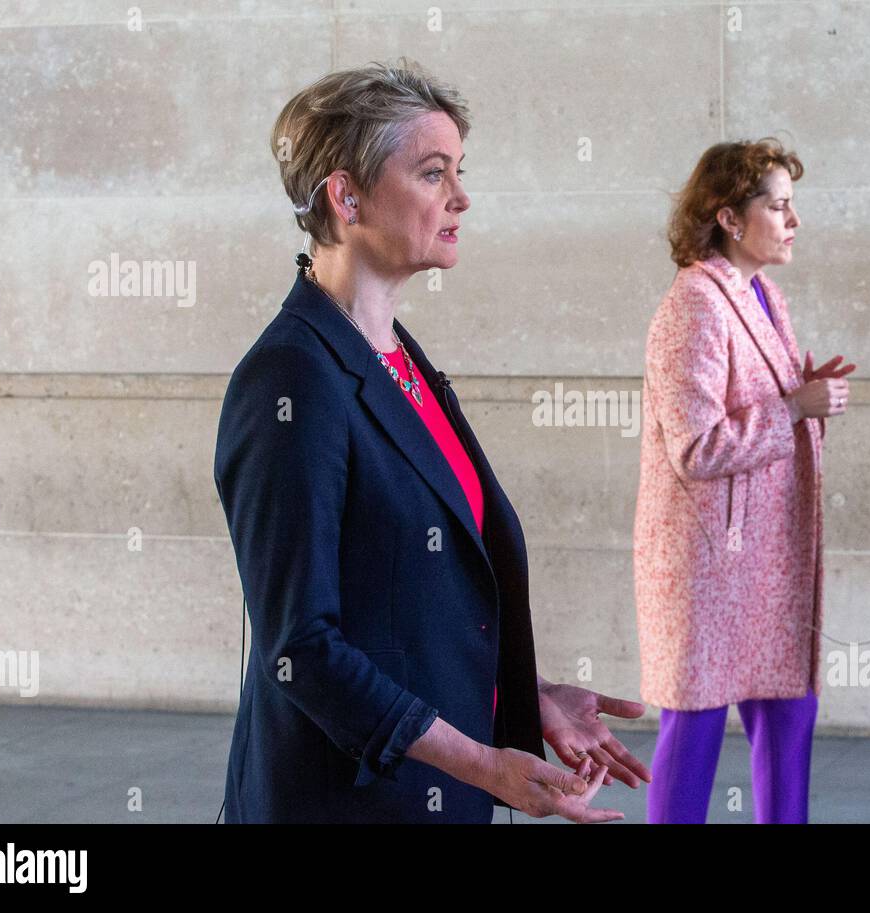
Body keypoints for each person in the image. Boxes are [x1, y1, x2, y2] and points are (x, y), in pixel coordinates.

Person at [215, 60, 650, 824]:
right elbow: (302, 649)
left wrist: (525, 693)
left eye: (458, 171)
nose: (461, 197)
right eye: (431, 172)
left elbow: (407, 606)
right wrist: (484, 763)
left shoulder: (399, 359)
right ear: (346, 197)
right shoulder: (292, 379)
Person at [633, 138, 856, 823]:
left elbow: (760, 409)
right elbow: (696, 447)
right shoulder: (693, 304)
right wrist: (793, 407)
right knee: (694, 731)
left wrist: (802, 395)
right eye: (779, 206)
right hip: (709, 566)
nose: (794, 220)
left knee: (791, 715)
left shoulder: (764, 296)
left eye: (793, 205)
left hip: (766, 562)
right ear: (729, 217)